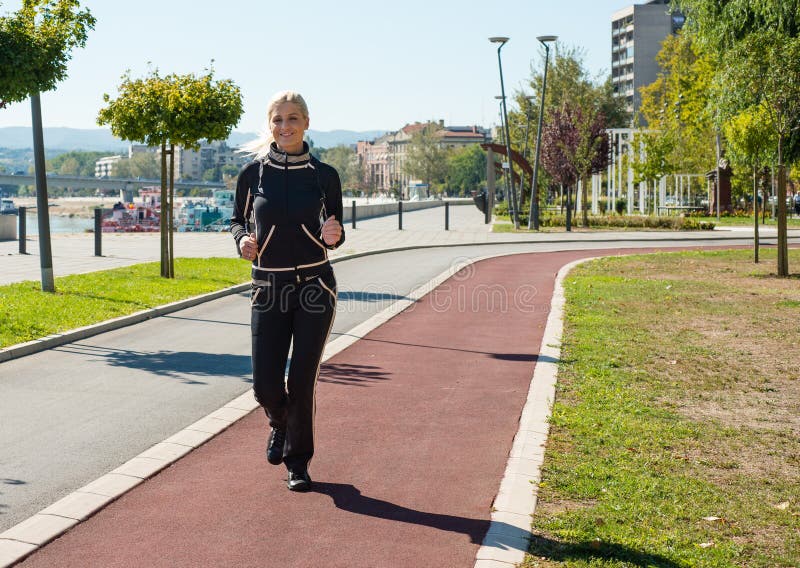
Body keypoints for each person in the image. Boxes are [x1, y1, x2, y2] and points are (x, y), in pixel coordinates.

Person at [230, 91, 344, 492]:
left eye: (293, 118)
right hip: (268, 288)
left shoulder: (323, 175)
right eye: (278, 120)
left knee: (301, 380)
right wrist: (242, 239)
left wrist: (335, 235)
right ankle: (278, 421)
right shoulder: (253, 175)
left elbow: (335, 230)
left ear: (307, 123)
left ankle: (299, 462)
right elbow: (236, 221)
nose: (285, 126)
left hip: (315, 288)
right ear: (270, 125)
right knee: (264, 384)